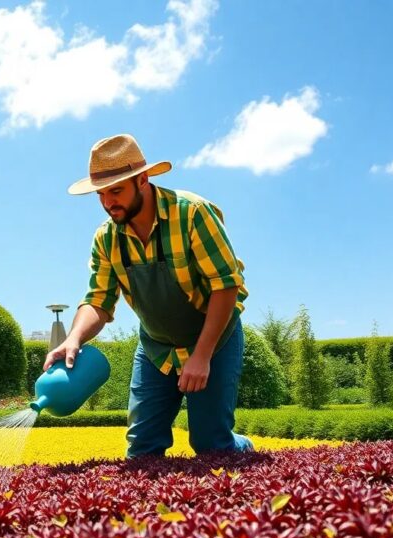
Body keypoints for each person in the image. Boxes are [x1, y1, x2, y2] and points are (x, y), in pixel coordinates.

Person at [43, 134, 254, 457]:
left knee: (211, 445)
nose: (108, 202)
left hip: (214, 336)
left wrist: (201, 354)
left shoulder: (192, 214)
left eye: (116, 191)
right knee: (142, 448)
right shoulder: (107, 238)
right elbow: (98, 300)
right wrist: (74, 338)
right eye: (101, 194)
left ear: (142, 180)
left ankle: (242, 445)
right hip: (157, 347)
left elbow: (225, 284)